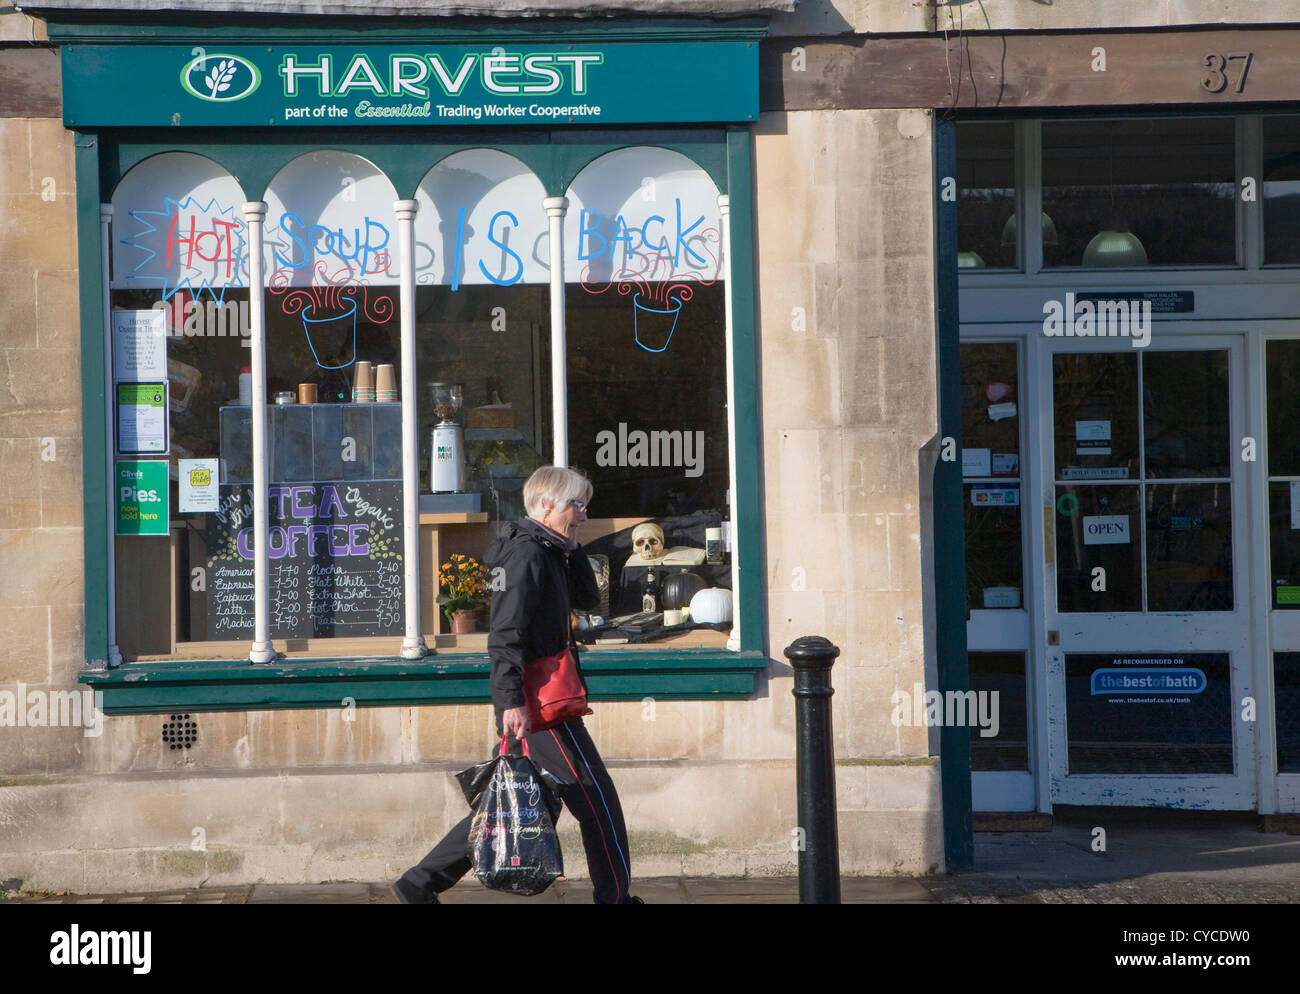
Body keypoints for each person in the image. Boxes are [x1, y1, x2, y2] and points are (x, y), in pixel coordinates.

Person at [393, 466, 640, 904]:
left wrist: (572, 547)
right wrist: (509, 702)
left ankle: (418, 884)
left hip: (542, 702)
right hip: (538, 706)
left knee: (513, 803)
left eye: (584, 505)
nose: (582, 515)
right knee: (599, 805)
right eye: (575, 505)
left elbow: (587, 598)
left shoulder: (549, 550)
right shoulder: (527, 555)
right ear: (546, 506)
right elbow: (505, 634)